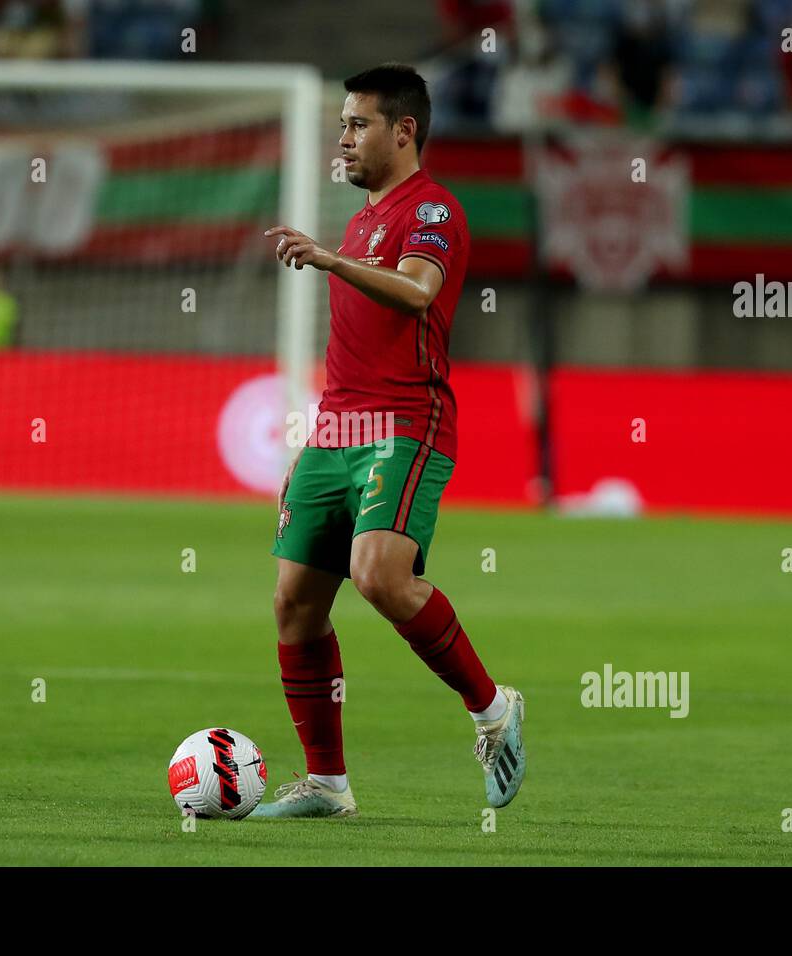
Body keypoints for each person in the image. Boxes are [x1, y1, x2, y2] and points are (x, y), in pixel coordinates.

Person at [254, 63, 525, 818]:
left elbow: (418, 290)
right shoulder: (363, 216)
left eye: (358, 124)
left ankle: (494, 709)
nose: (343, 138)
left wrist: (334, 260)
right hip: (336, 426)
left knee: (379, 574)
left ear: (403, 131)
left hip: (405, 423)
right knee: (292, 605)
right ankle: (328, 786)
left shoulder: (431, 210)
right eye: (342, 123)